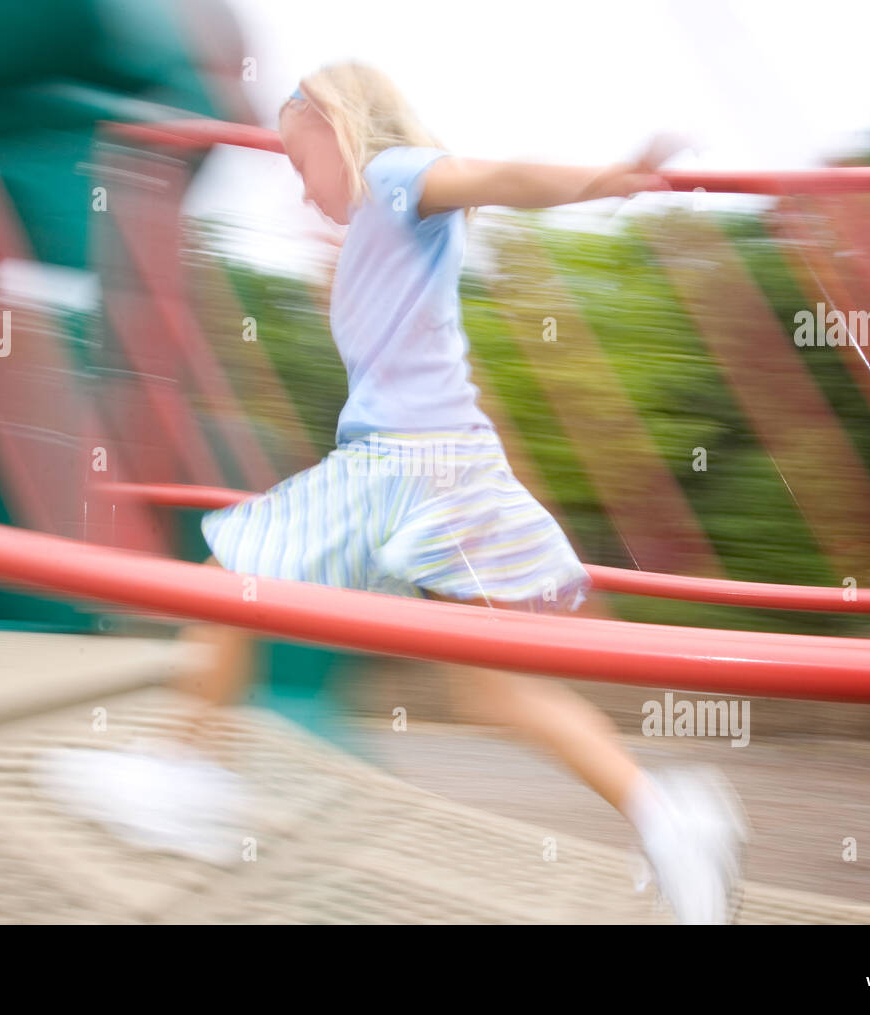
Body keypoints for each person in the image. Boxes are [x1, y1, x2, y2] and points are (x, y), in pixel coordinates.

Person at [47, 60, 748, 924]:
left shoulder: (393, 176)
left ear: (337, 125)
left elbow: (493, 176)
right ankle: (669, 814)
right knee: (490, 690)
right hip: (453, 466)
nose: (303, 191)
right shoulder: (384, 220)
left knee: (235, 565)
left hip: (407, 463)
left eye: (301, 165)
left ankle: (188, 777)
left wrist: (605, 179)